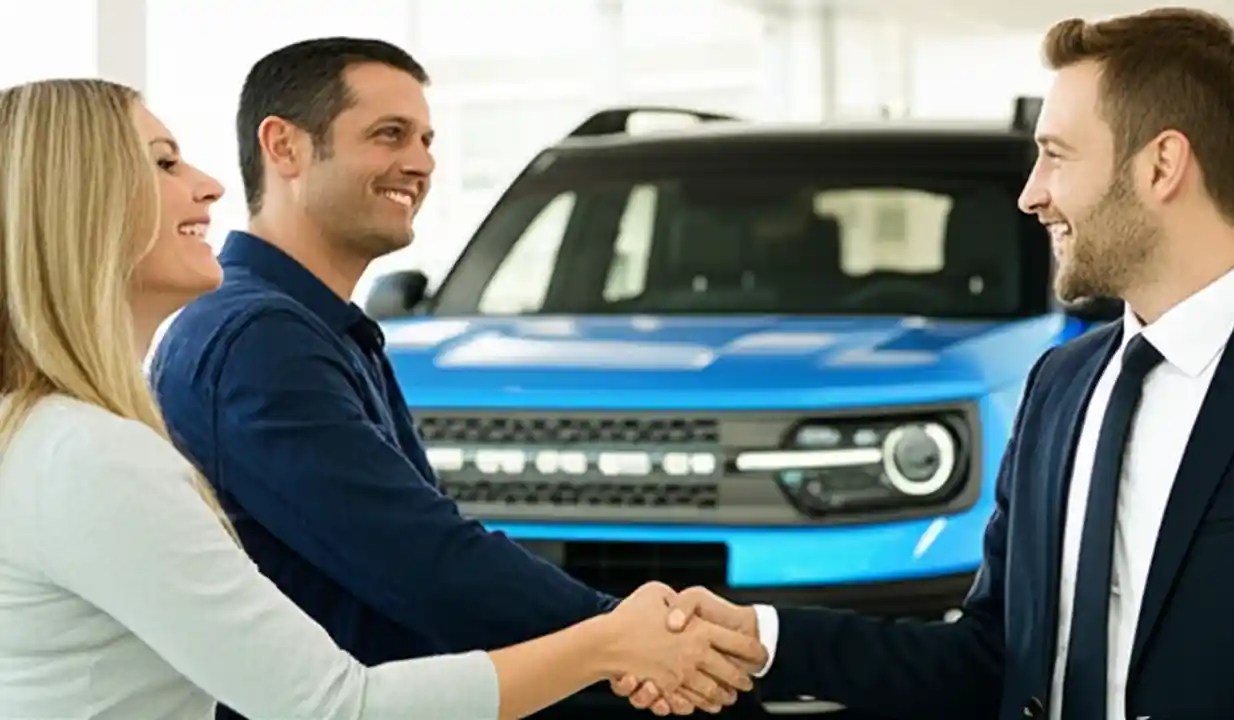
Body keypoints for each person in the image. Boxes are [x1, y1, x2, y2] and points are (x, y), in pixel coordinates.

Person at [0, 77, 765, 720]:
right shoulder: (97, 452)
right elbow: (334, 705)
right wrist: (610, 641)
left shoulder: (55, 434)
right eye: (163, 162)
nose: (207, 183)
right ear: (81, 202)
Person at [618, 7, 1234, 720]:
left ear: (1162, 165)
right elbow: (988, 657)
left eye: (1057, 155)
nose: (1032, 193)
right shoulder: (1061, 387)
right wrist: (766, 638)